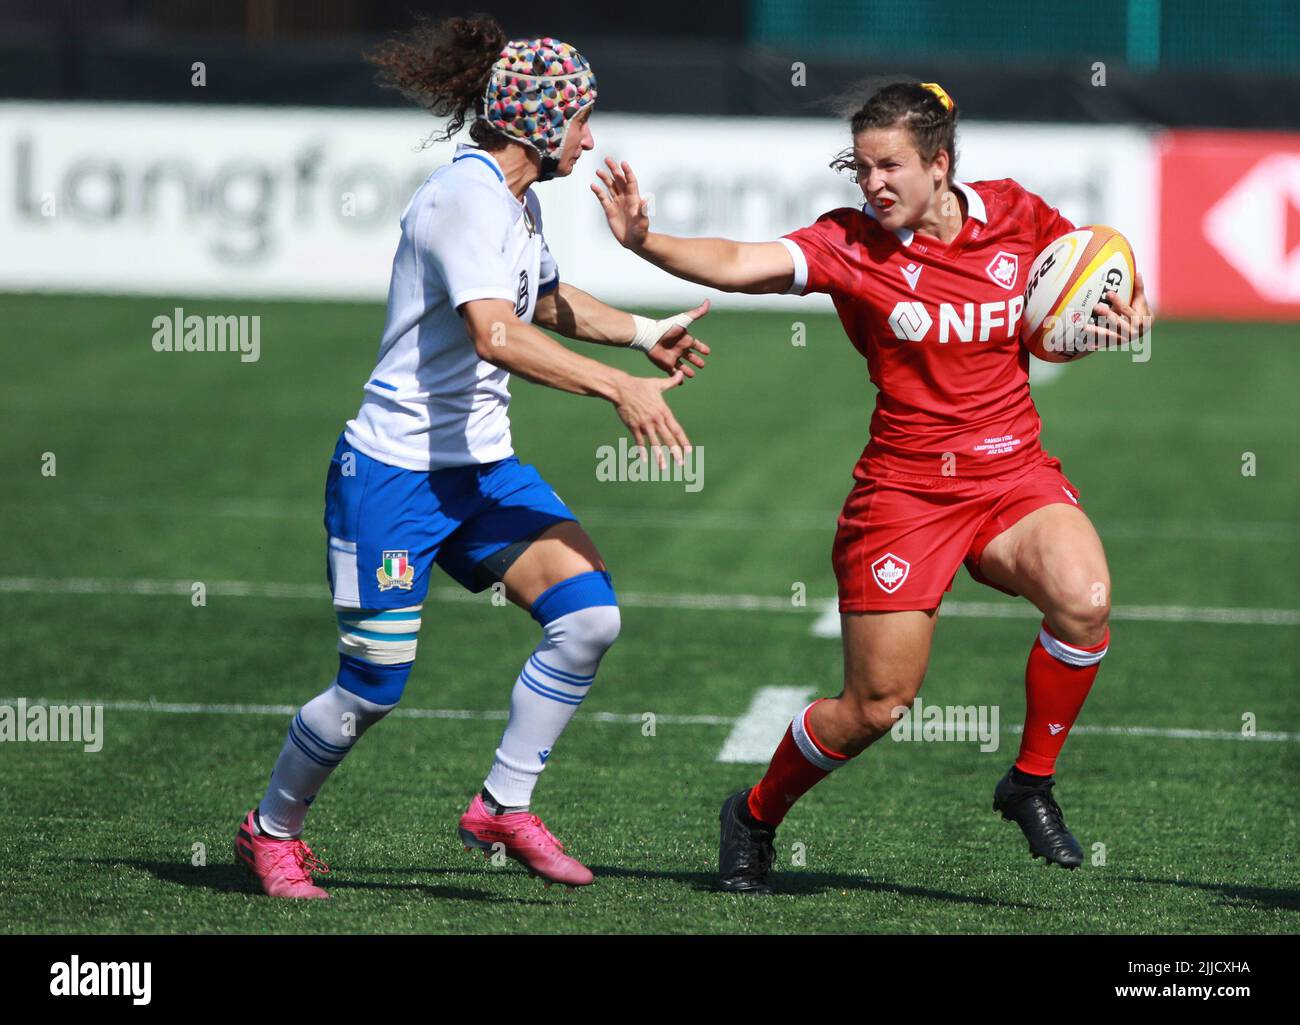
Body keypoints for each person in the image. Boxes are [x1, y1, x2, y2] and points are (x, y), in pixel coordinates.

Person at [592, 80, 1151, 893]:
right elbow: (744, 263)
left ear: (940, 163)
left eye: (889, 166)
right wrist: (647, 242)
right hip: (906, 493)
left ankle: (1030, 779)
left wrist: (1131, 309)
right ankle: (753, 812)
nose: (872, 184)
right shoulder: (851, 245)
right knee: (876, 707)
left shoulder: (1018, 216)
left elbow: (1097, 279)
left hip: (1011, 474)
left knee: (1086, 598)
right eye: (860, 168)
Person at [235, 15, 709, 898]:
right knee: (373, 687)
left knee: (589, 617)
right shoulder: (465, 197)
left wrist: (647, 332)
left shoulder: (516, 203)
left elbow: (548, 301)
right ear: (538, 123)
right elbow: (496, 335)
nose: (591, 136)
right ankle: (270, 828)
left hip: (482, 473)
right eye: (582, 118)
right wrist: (618, 388)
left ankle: (501, 803)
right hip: (393, 476)